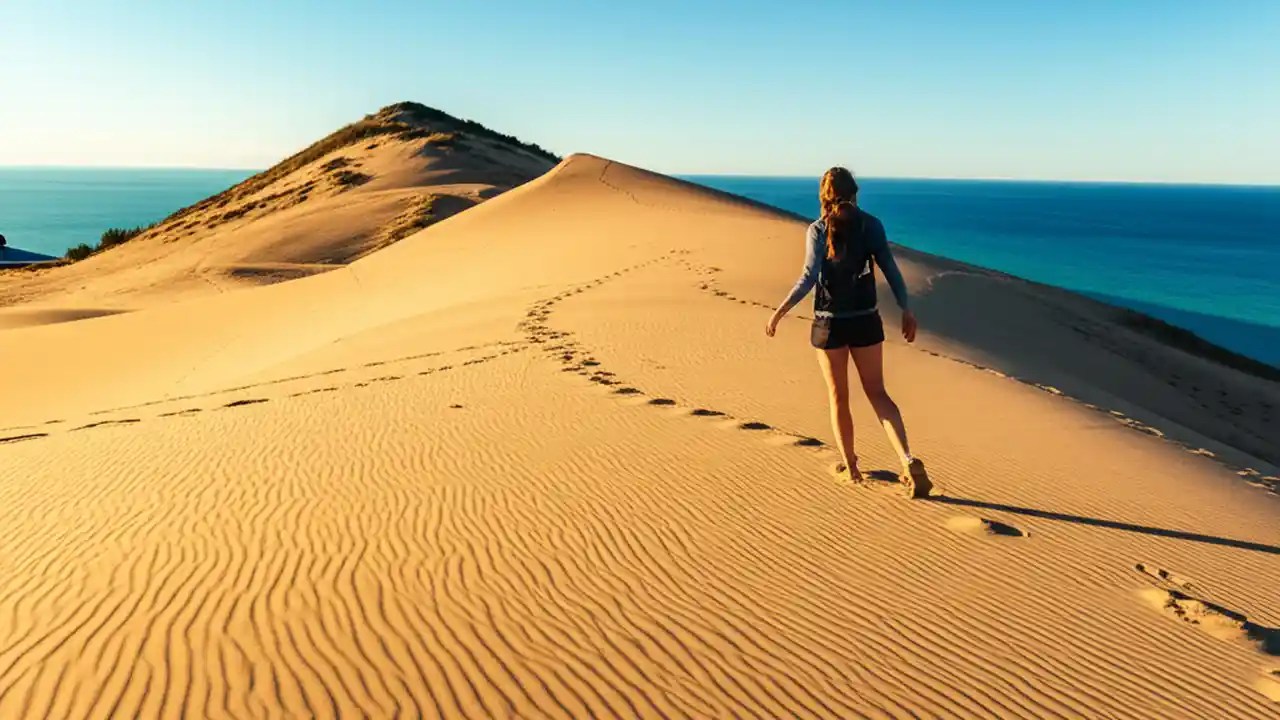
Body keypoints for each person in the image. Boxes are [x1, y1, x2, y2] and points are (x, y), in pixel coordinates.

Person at [764, 167, 932, 498]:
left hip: (829, 326)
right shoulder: (872, 225)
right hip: (866, 321)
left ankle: (851, 468)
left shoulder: (817, 229)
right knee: (878, 393)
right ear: (855, 193)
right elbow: (891, 269)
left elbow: (808, 278)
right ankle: (907, 459)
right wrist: (906, 308)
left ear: (823, 197)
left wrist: (780, 311)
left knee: (839, 397)